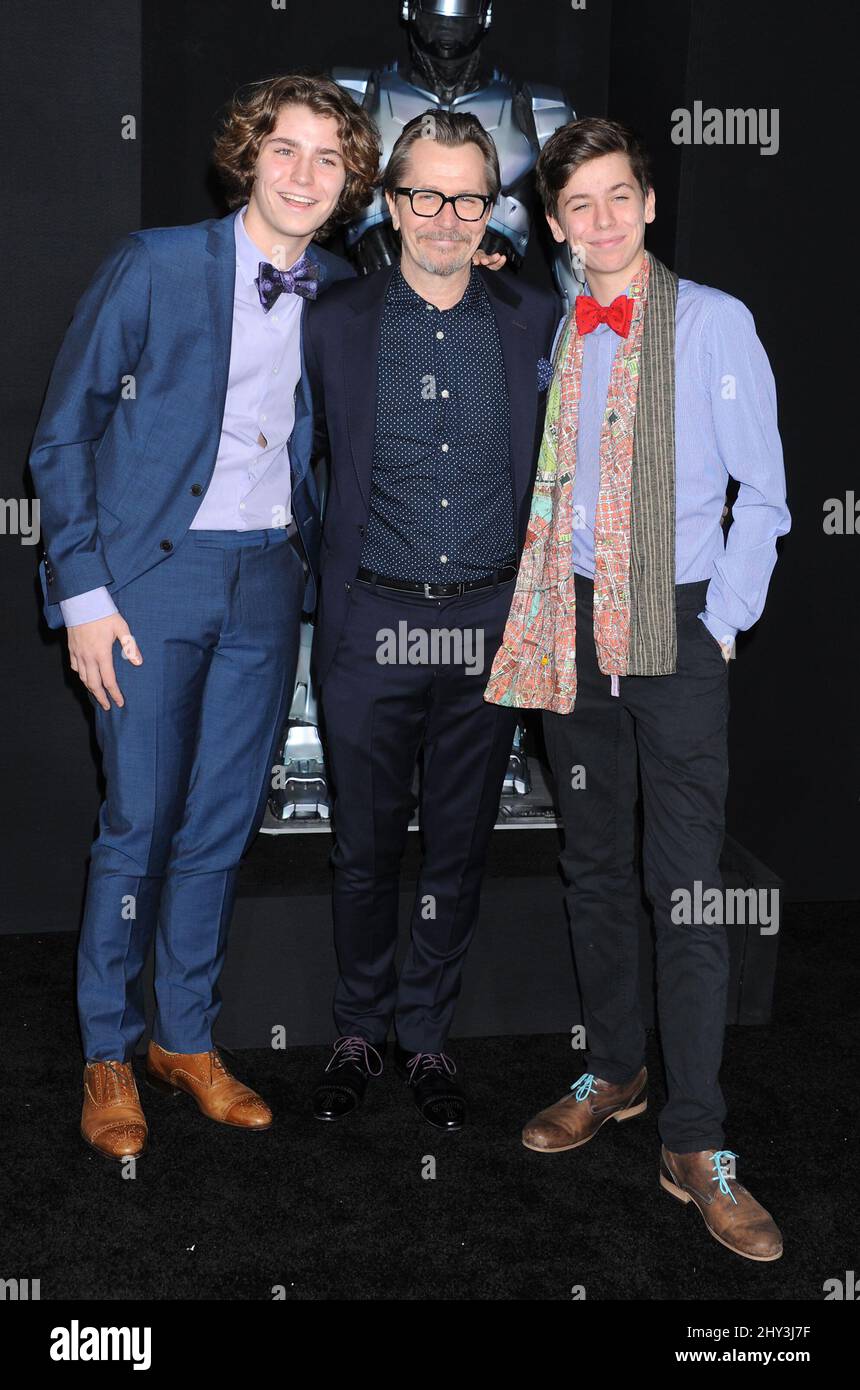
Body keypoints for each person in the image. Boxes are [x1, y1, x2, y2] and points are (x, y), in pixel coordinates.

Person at [28, 74, 379, 1161]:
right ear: (247, 156)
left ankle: (184, 1039)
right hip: (148, 584)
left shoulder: (338, 284)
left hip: (268, 585)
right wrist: (82, 593)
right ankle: (105, 1047)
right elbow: (63, 432)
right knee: (137, 824)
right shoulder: (157, 262)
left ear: (348, 184)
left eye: (329, 158)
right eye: (285, 149)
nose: (304, 172)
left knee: (222, 827)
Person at [484, 117, 790, 1259]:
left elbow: (761, 493)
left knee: (688, 889)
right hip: (566, 621)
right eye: (580, 206)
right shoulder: (558, 326)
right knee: (590, 865)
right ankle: (613, 1068)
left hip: (673, 624)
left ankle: (695, 1140)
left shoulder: (712, 321)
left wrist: (717, 627)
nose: (601, 220)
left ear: (647, 205)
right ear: (555, 225)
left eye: (620, 197)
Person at [304, 110, 559, 1130]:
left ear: (491, 204)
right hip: (370, 622)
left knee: (455, 847)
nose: (447, 217)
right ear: (390, 202)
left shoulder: (534, 316)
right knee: (362, 849)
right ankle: (358, 1029)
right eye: (425, 195)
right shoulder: (334, 321)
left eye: (468, 196)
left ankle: (428, 1036)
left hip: (489, 623)